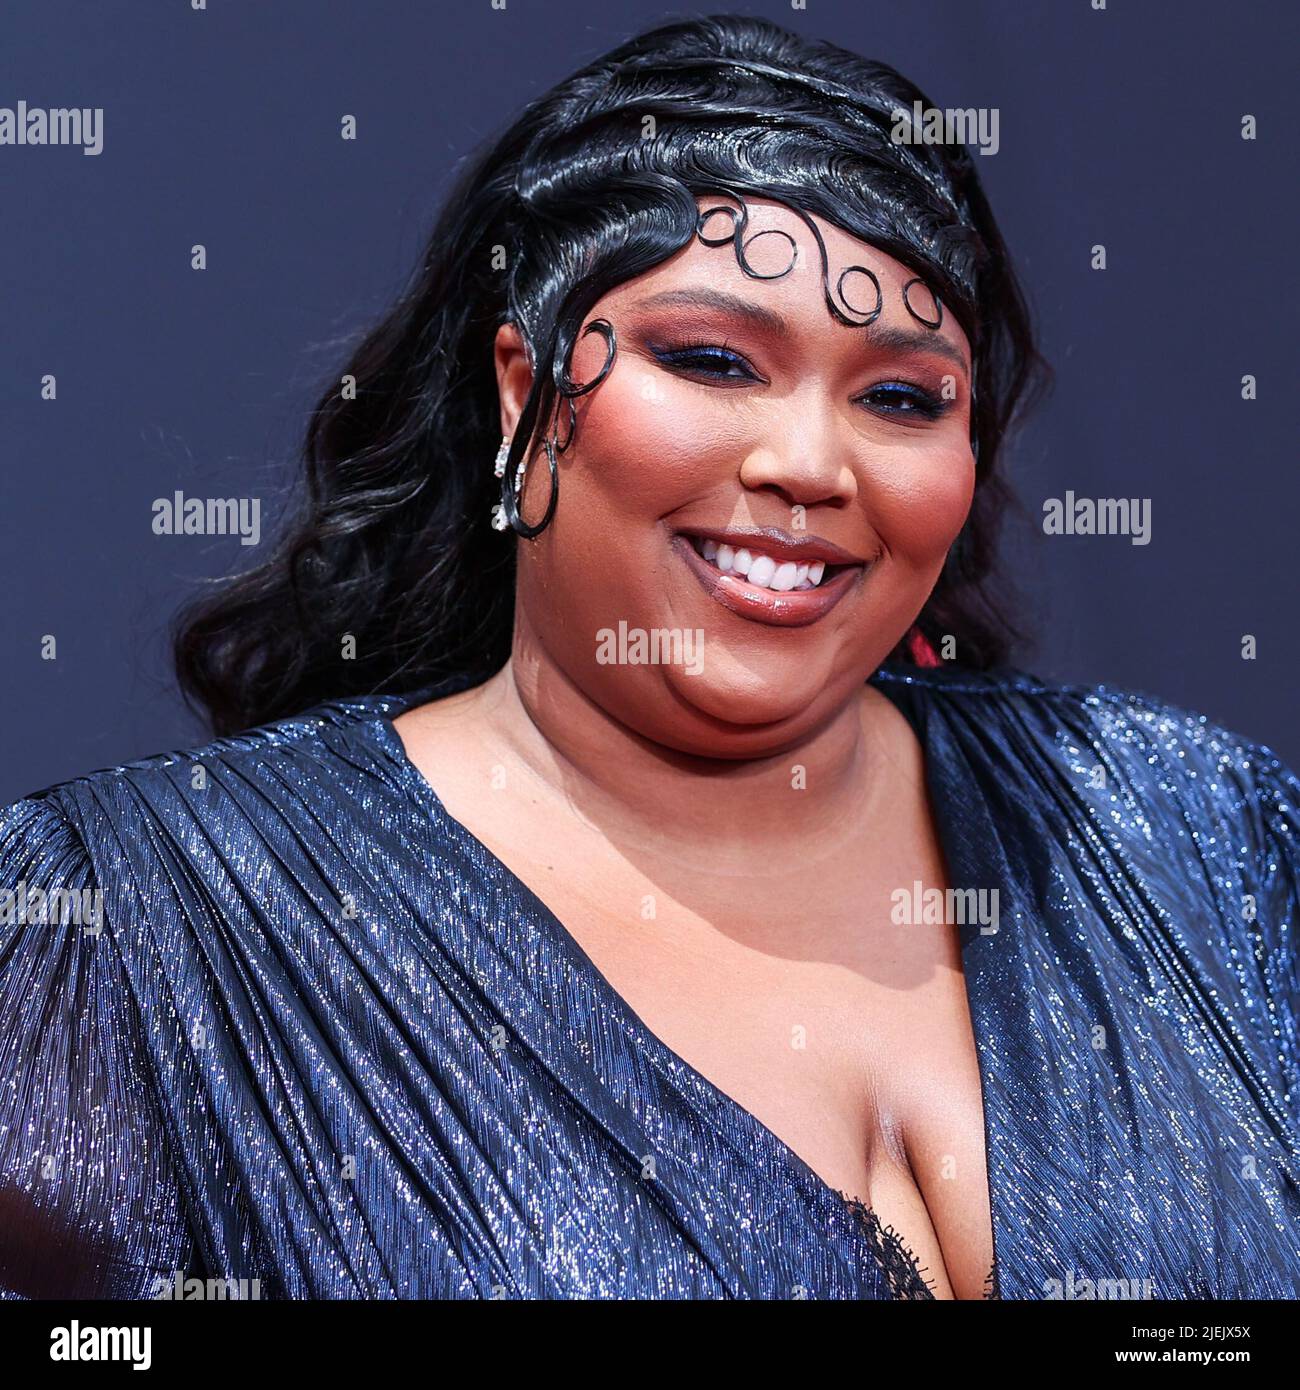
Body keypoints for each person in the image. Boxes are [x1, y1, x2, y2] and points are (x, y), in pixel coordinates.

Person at [1, 14, 1296, 1300]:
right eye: (714, 359)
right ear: (524, 393)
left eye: (901, 396)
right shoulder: (136, 928)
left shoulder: (1201, 832)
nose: (809, 461)